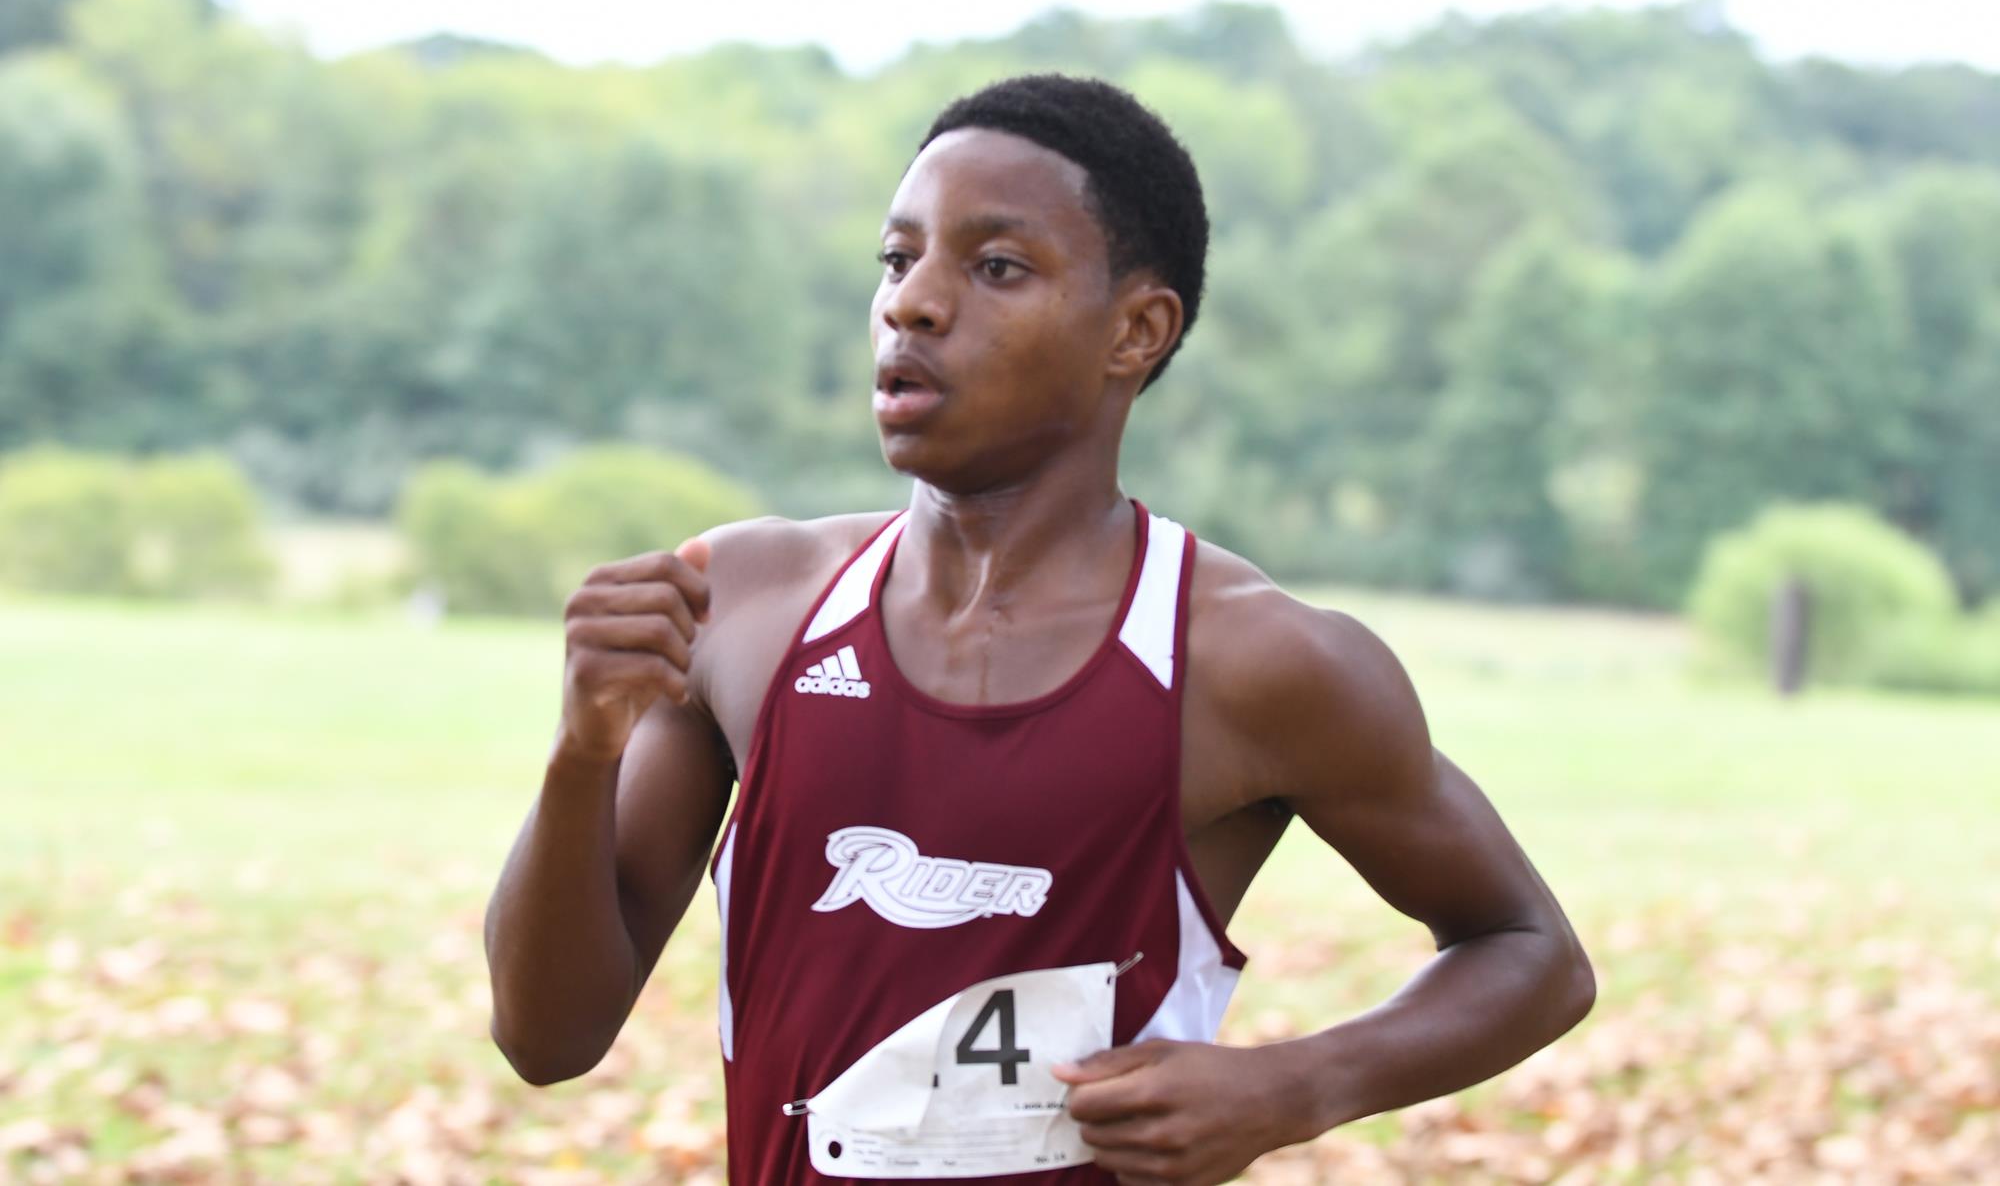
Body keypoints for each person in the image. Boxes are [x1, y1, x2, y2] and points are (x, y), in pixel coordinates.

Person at [483, 74, 1595, 1185]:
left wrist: (1288, 1086)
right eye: (895, 258)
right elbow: (547, 1037)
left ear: (1135, 331)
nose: (912, 303)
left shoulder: (1252, 660)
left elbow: (1531, 953)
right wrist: (582, 754)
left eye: (995, 266)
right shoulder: (742, 605)